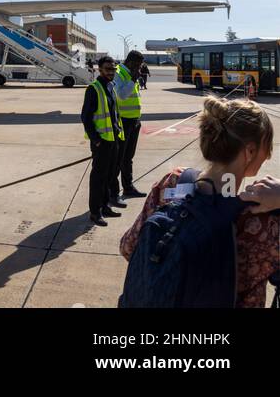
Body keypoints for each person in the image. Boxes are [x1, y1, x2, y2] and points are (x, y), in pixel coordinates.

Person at [120, 96, 280, 307]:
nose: (267, 156)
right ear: (249, 151)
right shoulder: (260, 221)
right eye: (266, 147)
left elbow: (128, 246)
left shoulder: (172, 182)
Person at [82, 56, 125, 226]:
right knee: (98, 178)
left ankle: (105, 206)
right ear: (100, 70)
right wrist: (96, 140)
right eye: (107, 69)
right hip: (102, 142)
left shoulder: (111, 87)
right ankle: (95, 212)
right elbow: (85, 117)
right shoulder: (94, 89)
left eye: (113, 69)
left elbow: (114, 114)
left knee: (109, 176)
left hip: (113, 139)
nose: (111, 72)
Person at [114, 51, 146, 200]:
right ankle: (113, 191)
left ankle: (128, 187)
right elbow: (121, 95)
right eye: (138, 65)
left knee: (128, 157)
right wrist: (133, 80)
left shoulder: (133, 74)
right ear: (131, 62)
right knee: (119, 157)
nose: (140, 68)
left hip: (134, 121)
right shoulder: (119, 73)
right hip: (124, 121)